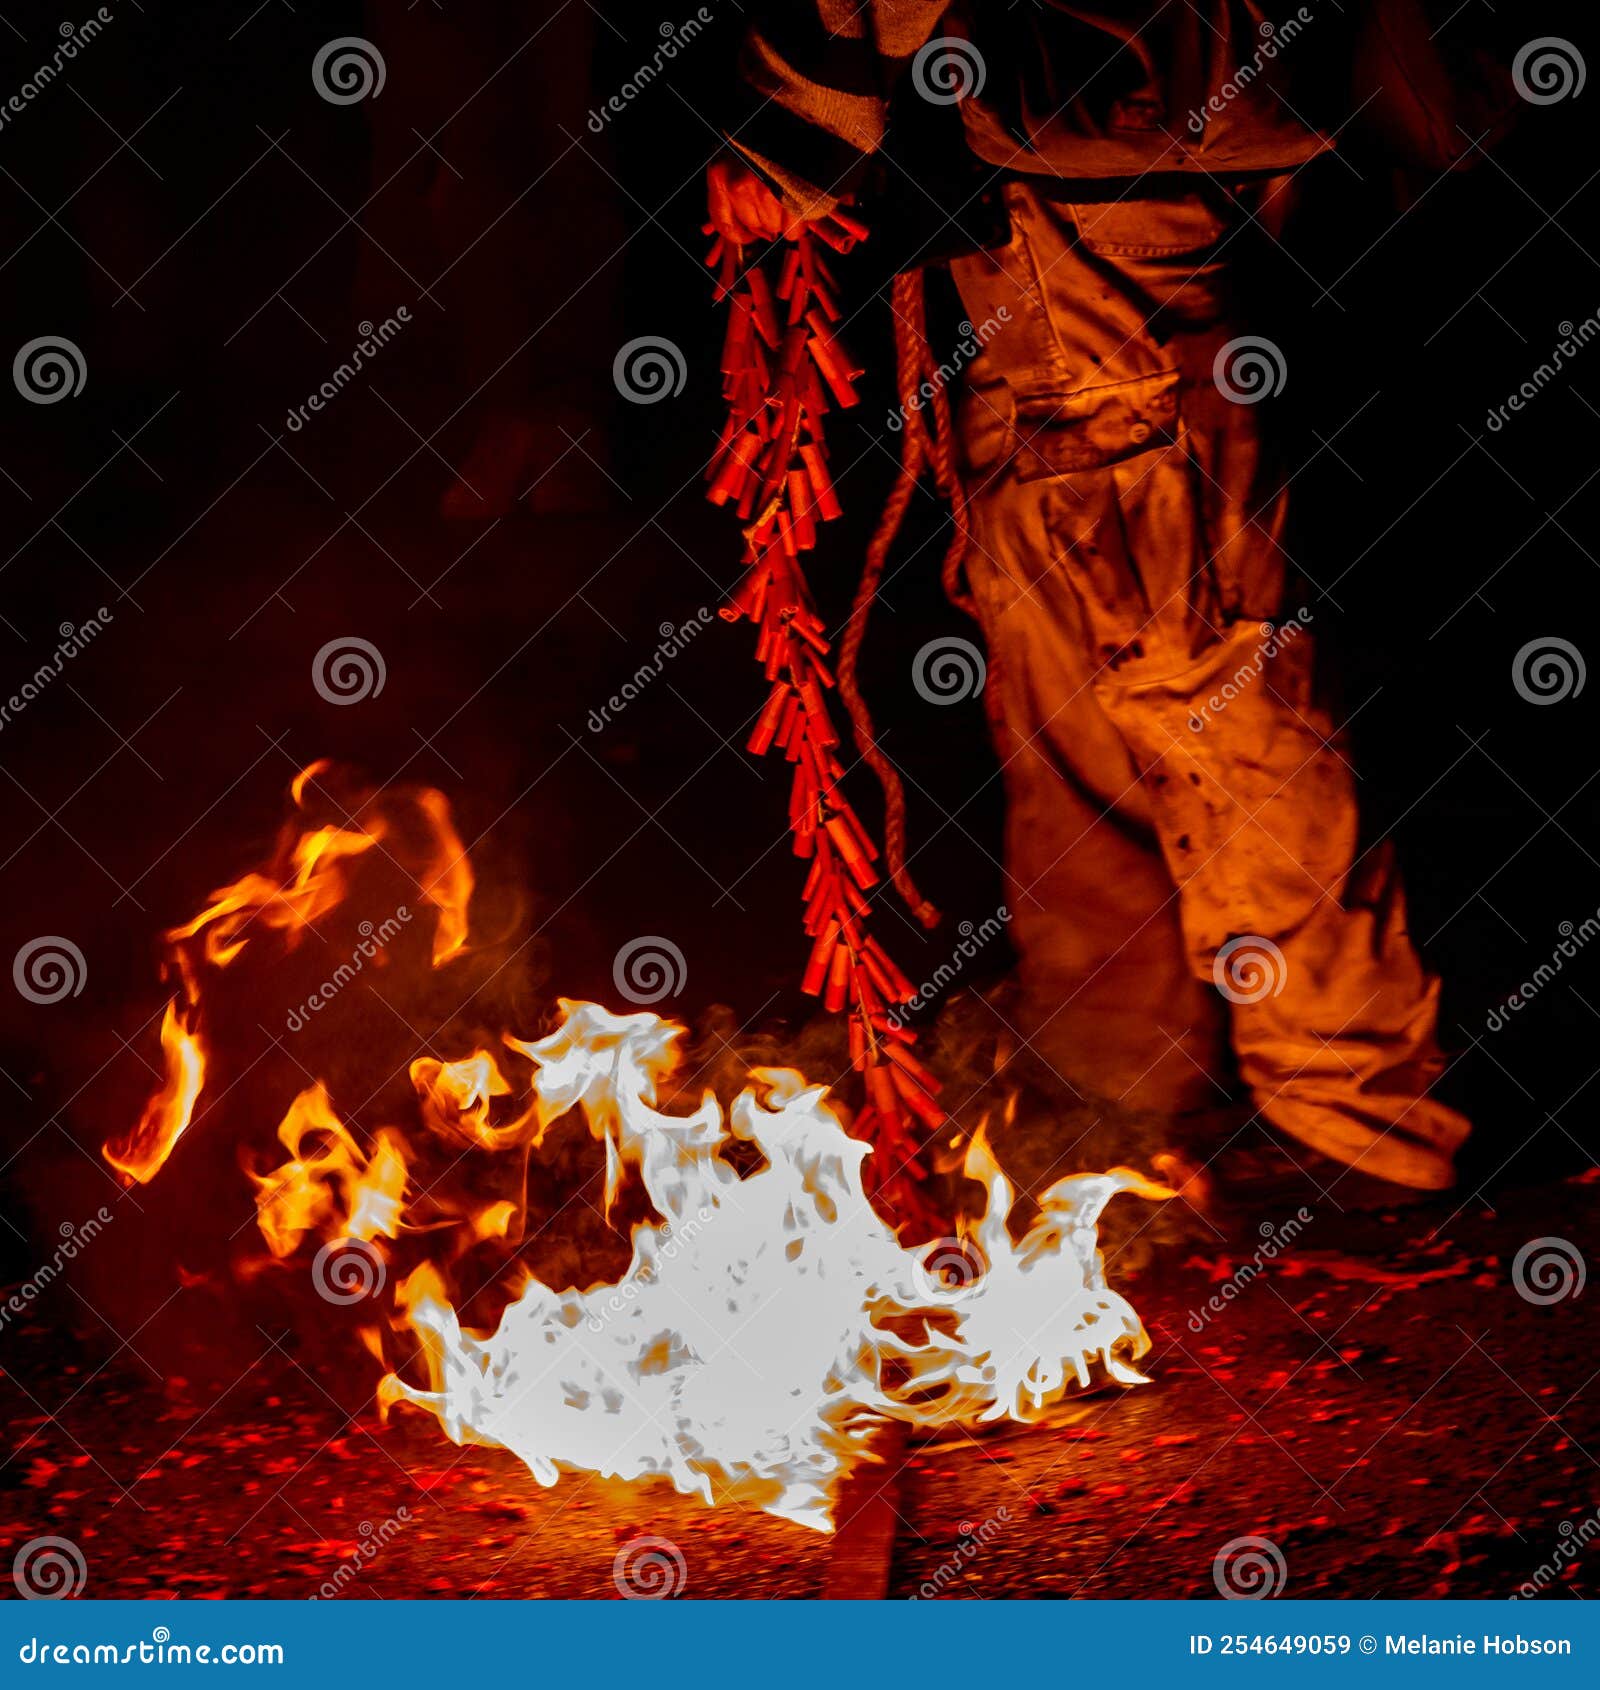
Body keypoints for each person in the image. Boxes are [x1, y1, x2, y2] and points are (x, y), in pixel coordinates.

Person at [706, 2, 1511, 1192]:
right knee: (1086, 707)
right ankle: (1119, 1098)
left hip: (1114, 224)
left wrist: (794, 126)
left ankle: (1359, 1133)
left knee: (1214, 707)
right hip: (1082, 220)